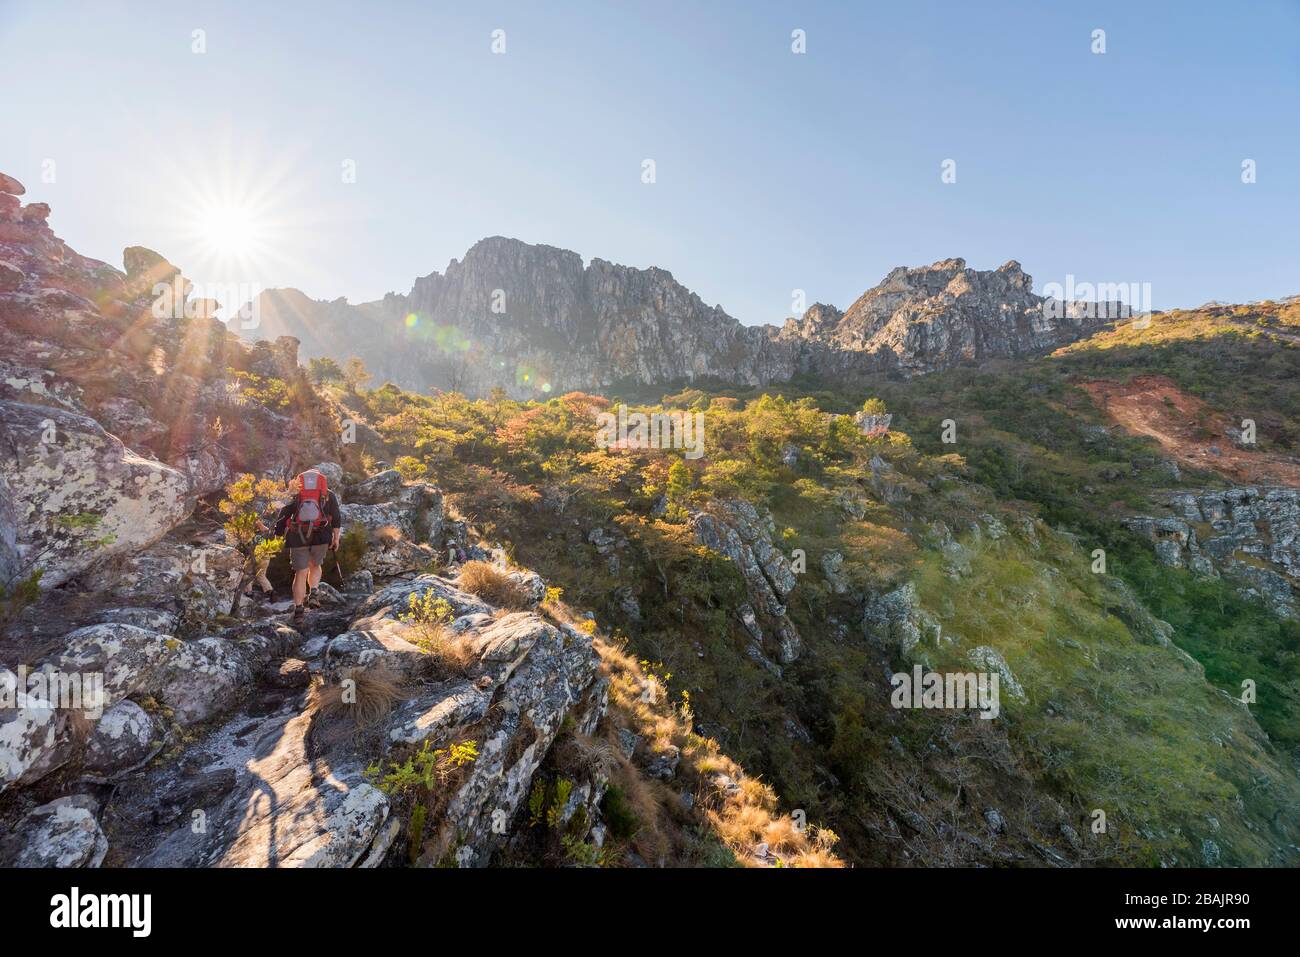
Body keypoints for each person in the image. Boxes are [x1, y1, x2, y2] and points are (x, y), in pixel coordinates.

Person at [273, 469, 343, 623]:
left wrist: (277, 536)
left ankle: (298, 611)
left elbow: (282, 516)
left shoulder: (295, 493)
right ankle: (314, 592)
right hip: (322, 535)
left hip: (297, 536)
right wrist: (336, 538)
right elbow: (336, 518)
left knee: (301, 573)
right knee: (315, 565)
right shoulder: (328, 494)